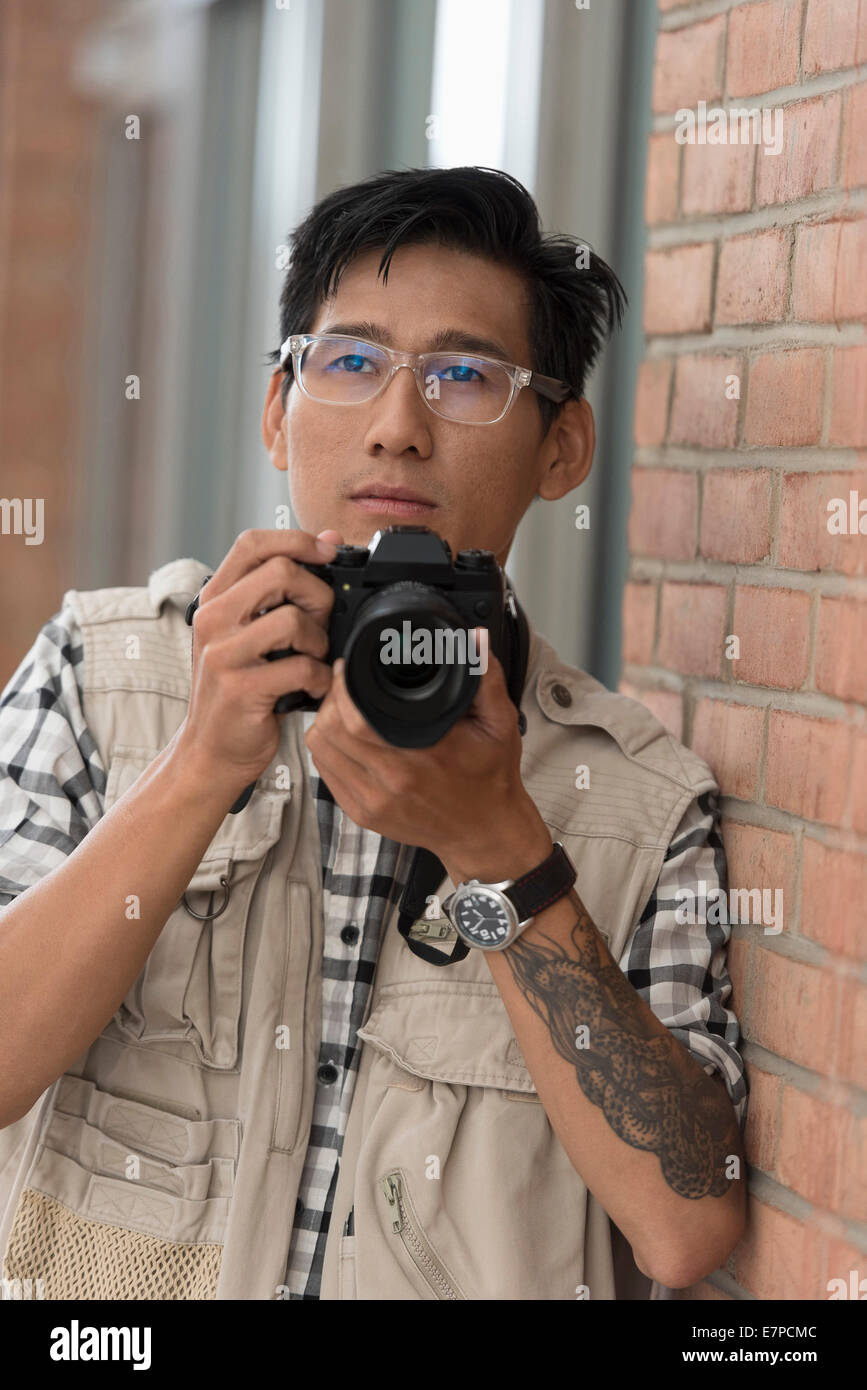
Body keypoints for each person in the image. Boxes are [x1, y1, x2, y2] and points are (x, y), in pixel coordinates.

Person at [0, 166, 747, 1301]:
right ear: (276, 408)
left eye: (464, 375)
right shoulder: (106, 672)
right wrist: (202, 765)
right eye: (350, 361)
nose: (398, 429)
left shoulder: (638, 798)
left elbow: (686, 1224)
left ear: (564, 449)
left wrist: (505, 856)